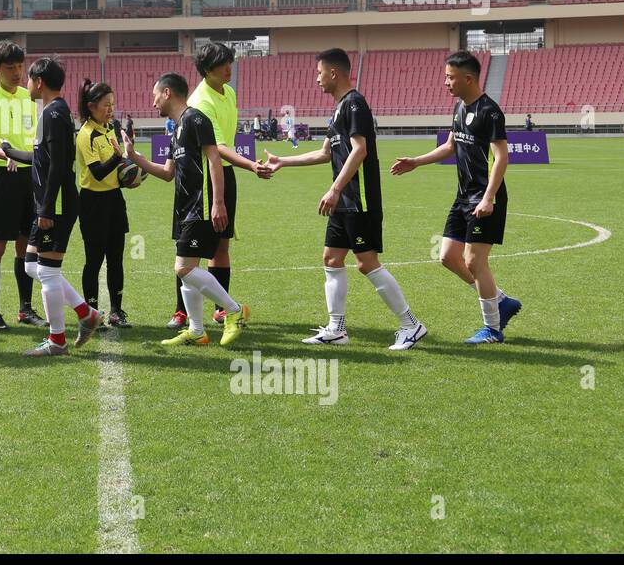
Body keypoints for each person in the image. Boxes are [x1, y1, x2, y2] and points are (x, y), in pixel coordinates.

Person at [258, 48, 426, 350]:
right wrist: (283, 161)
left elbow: (359, 150)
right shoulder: (338, 109)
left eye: (319, 73)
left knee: (366, 262)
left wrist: (335, 189)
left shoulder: (355, 104)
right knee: (332, 259)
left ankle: (411, 325)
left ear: (334, 73)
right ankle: (336, 329)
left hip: (358, 198)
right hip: (344, 201)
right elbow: (325, 153)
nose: (317, 79)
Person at [391, 50, 522, 343]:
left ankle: (492, 328)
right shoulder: (459, 108)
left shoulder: (490, 111)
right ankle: (501, 301)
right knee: (448, 257)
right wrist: (417, 161)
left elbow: (501, 158)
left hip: (486, 198)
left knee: (474, 261)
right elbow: (450, 146)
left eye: (450, 77)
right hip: (462, 197)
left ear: (468, 78)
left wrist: (488, 198)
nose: (446, 83)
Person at [125, 73, 249, 347]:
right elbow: (168, 173)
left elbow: (215, 160)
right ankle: (196, 330)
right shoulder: (177, 127)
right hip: (184, 208)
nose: (153, 100)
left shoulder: (196, 119)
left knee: (183, 268)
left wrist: (218, 203)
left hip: (201, 205)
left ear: (167, 92)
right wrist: (136, 158)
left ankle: (234, 309)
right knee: (187, 268)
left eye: (155, 94)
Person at [0, 58, 103, 356]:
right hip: (48, 204)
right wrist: (9, 151)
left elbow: (58, 165)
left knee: (48, 272)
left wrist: (45, 209)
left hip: (54, 206)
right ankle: (85, 312)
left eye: (29, 79)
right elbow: (41, 159)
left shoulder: (55, 113)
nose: (25, 84)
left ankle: (57, 340)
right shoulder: (53, 112)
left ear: (39, 82)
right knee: (32, 265)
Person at [167, 41, 271, 331]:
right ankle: (181, 311)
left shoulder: (230, 93)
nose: (230, 68)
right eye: (223, 63)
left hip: (225, 176)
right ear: (207, 69)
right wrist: (250, 164)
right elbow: (217, 148)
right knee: (191, 250)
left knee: (222, 245)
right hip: (204, 179)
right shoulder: (201, 101)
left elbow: (227, 142)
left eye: (230, 62)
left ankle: (221, 310)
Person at [0, 40, 44, 330]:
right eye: (9, 68)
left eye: (19, 67)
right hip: (3, 177)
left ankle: (25, 309)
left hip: (31, 178)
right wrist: (8, 154)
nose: (17, 72)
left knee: (27, 247)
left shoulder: (31, 97)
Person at [75, 79, 130, 327]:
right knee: (94, 260)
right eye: (105, 104)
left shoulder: (112, 128)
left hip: (114, 200)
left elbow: (116, 169)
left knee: (116, 258)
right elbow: (97, 172)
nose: (110, 109)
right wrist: (119, 158)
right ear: (91, 106)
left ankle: (117, 310)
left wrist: (129, 176)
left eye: (113, 104)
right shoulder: (86, 134)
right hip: (92, 203)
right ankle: (92, 312)